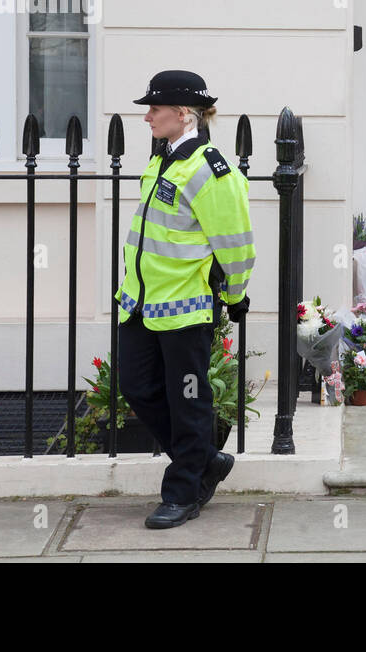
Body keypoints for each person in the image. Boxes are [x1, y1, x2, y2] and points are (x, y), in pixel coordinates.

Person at [114, 69, 255, 529]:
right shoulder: (163, 160)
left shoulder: (212, 169)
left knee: (187, 399)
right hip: (139, 302)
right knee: (136, 385)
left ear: (183, 113)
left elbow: (235, 243)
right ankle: (206, 461)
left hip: (184, 308)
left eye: (154, 109)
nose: (147, 116)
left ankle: (183, 491)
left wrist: (235, 296)